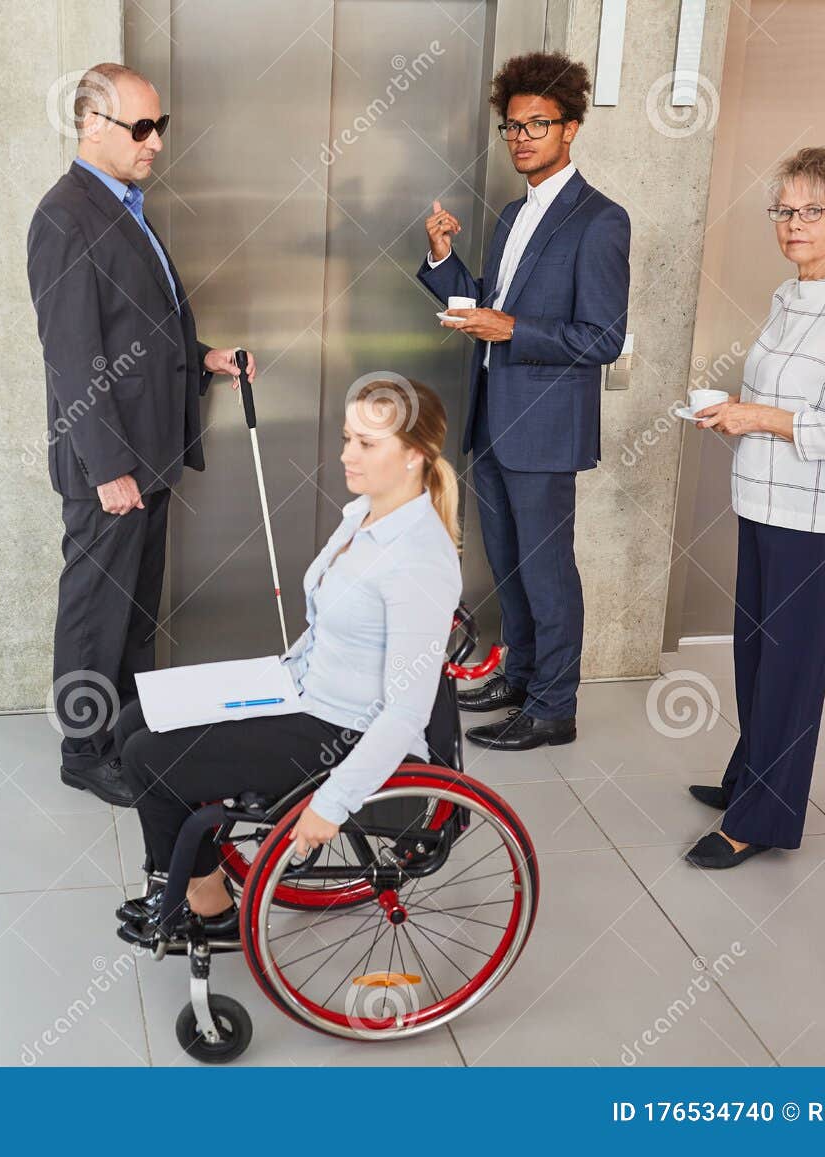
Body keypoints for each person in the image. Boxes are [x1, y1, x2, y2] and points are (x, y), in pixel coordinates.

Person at [111, 378, 463, 941]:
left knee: (149, 758)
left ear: (415, 454)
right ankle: (187, 871)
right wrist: (255, 684)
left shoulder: (418, 559)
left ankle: (207, 905)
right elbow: (327, 623)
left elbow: (405, 713)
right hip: (298, 683)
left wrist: (332, 803)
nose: (347, 454)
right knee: (135, 719)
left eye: (367, 444)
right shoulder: (364, 516)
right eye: (348, 438)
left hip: (340, 726)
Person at [27, 63, 254, 807]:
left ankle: (128, 735)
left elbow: (143, 332)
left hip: (146, 459)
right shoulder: (65, 215)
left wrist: (204, 359)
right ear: (92, 123)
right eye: (141, 127)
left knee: (132, 612)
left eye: (161, 126)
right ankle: (82, 750)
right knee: (95, 611)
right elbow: (74, 354)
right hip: (112, 466)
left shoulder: (123, 205)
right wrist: (109, 466)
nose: (156, 142)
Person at [685, 147, 825, 869]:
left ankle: (763, 817)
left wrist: (761, 418)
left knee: (790, 667)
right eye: (783, 209)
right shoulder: (789, 293)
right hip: (765, 503)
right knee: (755, 656)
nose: (793, 224)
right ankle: (752, 774)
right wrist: (736, 415)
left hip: (817, 520)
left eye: (812, 211)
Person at [418, 52, 630, 752]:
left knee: (546, 569)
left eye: (538, 124)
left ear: (570, 128)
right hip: (495, 417)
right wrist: (447, 264)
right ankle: (522, 677)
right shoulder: (514, 214)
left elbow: (601, 336)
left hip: (544, 428)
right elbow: (493, 302)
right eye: (512, 126)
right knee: (509, 564)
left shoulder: (600, 220)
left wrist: (509, 329)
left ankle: (553, 707)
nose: (522, 137)